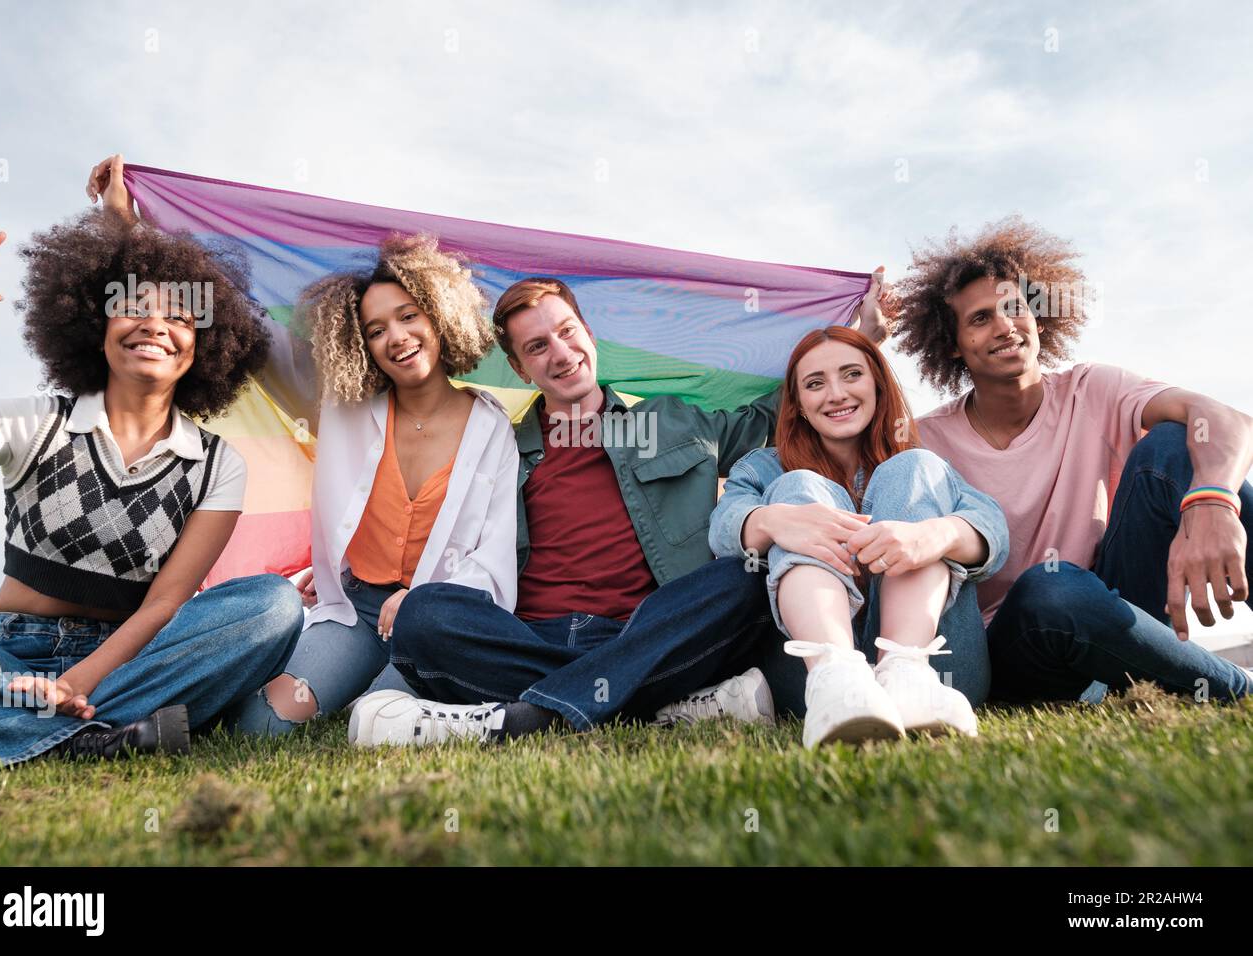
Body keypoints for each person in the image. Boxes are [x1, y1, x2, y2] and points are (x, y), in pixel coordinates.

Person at [349, 270, 887, 746]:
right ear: (518, 367)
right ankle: (659, 705)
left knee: (744, 578)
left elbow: (782, 411)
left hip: (652, 627)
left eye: (566, 332)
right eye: (537, 347)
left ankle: (519, 719)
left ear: (588, 333)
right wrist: (334, 567)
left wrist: (861, 339)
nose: (560, 354)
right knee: (425, 615)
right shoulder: (498, 445)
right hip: (532, 635)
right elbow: (429, 520)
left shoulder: (670, 423)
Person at [0, 198, 304, 776]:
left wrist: (75, 684)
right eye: (133, 306)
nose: (154, 324)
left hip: (130, 666)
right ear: (95, 326)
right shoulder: (33, 420)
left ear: (205, 345)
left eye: (179, 316)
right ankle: (91, 736)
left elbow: (167, 603)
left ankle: (18, 727)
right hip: (5, 662)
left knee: (272, 606)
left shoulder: (217, 464)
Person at [893, 216, 1253, 705]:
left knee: (1174, 445)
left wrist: (1212, 503)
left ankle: (1149, 664)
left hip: (1117, 607)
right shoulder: (926, 441)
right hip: (1022, 645)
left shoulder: (1092, 389)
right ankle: (1238, 688)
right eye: (980, 319)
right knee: (1051, 586)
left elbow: (1224, 418)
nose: (1004, 326)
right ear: (953, 346)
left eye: (1013, 308)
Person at [225, 233, 518, 736]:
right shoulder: (342, 409)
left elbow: (493, 552)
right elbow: (256, 335)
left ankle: (383, 689)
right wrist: (134, 226)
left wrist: (427, 599)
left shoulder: (491, 428)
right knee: (260, 726)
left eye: (409, 316)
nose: (397, 337)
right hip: (357, 611)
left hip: (434, 622)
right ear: (361, 344)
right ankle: (351, 673)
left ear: (439, 316)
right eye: (376, 329)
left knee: (380, 722)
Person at [708, 326, 1007, 747]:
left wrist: (934, 535)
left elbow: (992, 527)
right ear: (798, 406)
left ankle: (905, 674)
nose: (835, 394)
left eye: (852, 375)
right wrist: (773, 521)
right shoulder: (763, 468)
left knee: (914, 468)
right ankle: (837, 676)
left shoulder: (918, 460)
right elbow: (723, 529)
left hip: (938, 666)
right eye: (815, 384)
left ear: (878, 385)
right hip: (807, 677)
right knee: (798, 488)